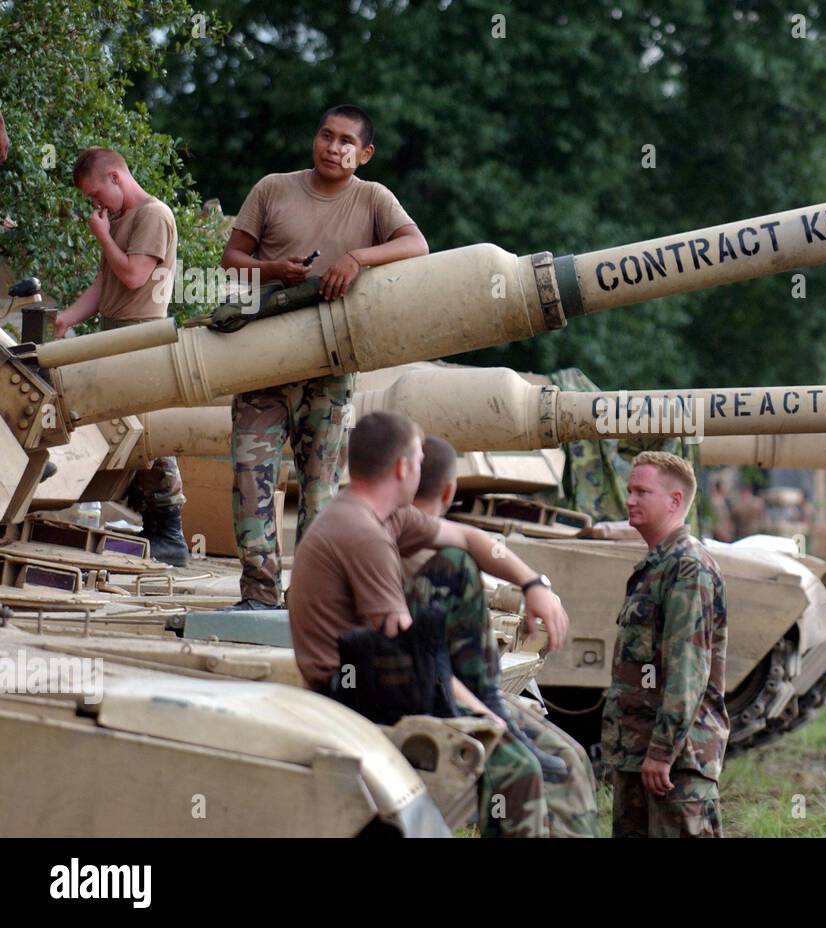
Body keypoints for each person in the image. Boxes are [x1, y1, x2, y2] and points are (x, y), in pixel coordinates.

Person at [287, 412, 571, 837]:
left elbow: (471, 541)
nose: (422, 469)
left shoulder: (379, 518)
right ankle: (490, 712)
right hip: (353, 693)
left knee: (455, 563)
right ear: (403, 467)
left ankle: (491, 700)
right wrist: (478, 718)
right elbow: (408, 653)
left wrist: (533, 584)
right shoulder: (361, 534)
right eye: (419, 459)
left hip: (377, 673)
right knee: (517, 769)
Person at [221, 104, 428, 609]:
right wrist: (274, 270)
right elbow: (231, 261)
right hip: (263, 356)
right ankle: (258, 594)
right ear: (315, 138)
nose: (333, 148)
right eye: (326, 136)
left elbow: (416, 245)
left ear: (364, 154)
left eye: (346, 143)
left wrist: (356, 258)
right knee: (252, 477)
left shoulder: (373, 198)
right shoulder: (272, 188)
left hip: (331, 363)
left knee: (321, 489)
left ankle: (311, 595)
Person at [409, 436, 598, 837]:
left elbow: (474, 541)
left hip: (460, 687)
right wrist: (488, 713)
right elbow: (420, 659)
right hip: (436, 695)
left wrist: (533, 583)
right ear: (450, 490)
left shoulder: (421, 535)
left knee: (571, 758)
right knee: (543, 770)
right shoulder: (409, 551)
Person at [53, 147, 189, 566]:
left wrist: (103, 236)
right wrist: (65, 320)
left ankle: (169, 530)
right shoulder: (117, 218)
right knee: (125, 434)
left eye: (97, 193)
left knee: (148, 434)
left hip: (140, 335)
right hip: (114, 334)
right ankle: (153, 525)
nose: (95, 204)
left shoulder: (152, 215)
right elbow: (104, 282)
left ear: (116, 177)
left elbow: (133, 276)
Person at [602, 451, 729, 838]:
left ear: (675, 501)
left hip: (676, 764)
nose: (630, 500)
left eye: (642, 491)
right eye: (629, 490)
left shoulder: (687, 566)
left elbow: (687, 670)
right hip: (641, 756)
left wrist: (662, 751)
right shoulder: (656, 565)